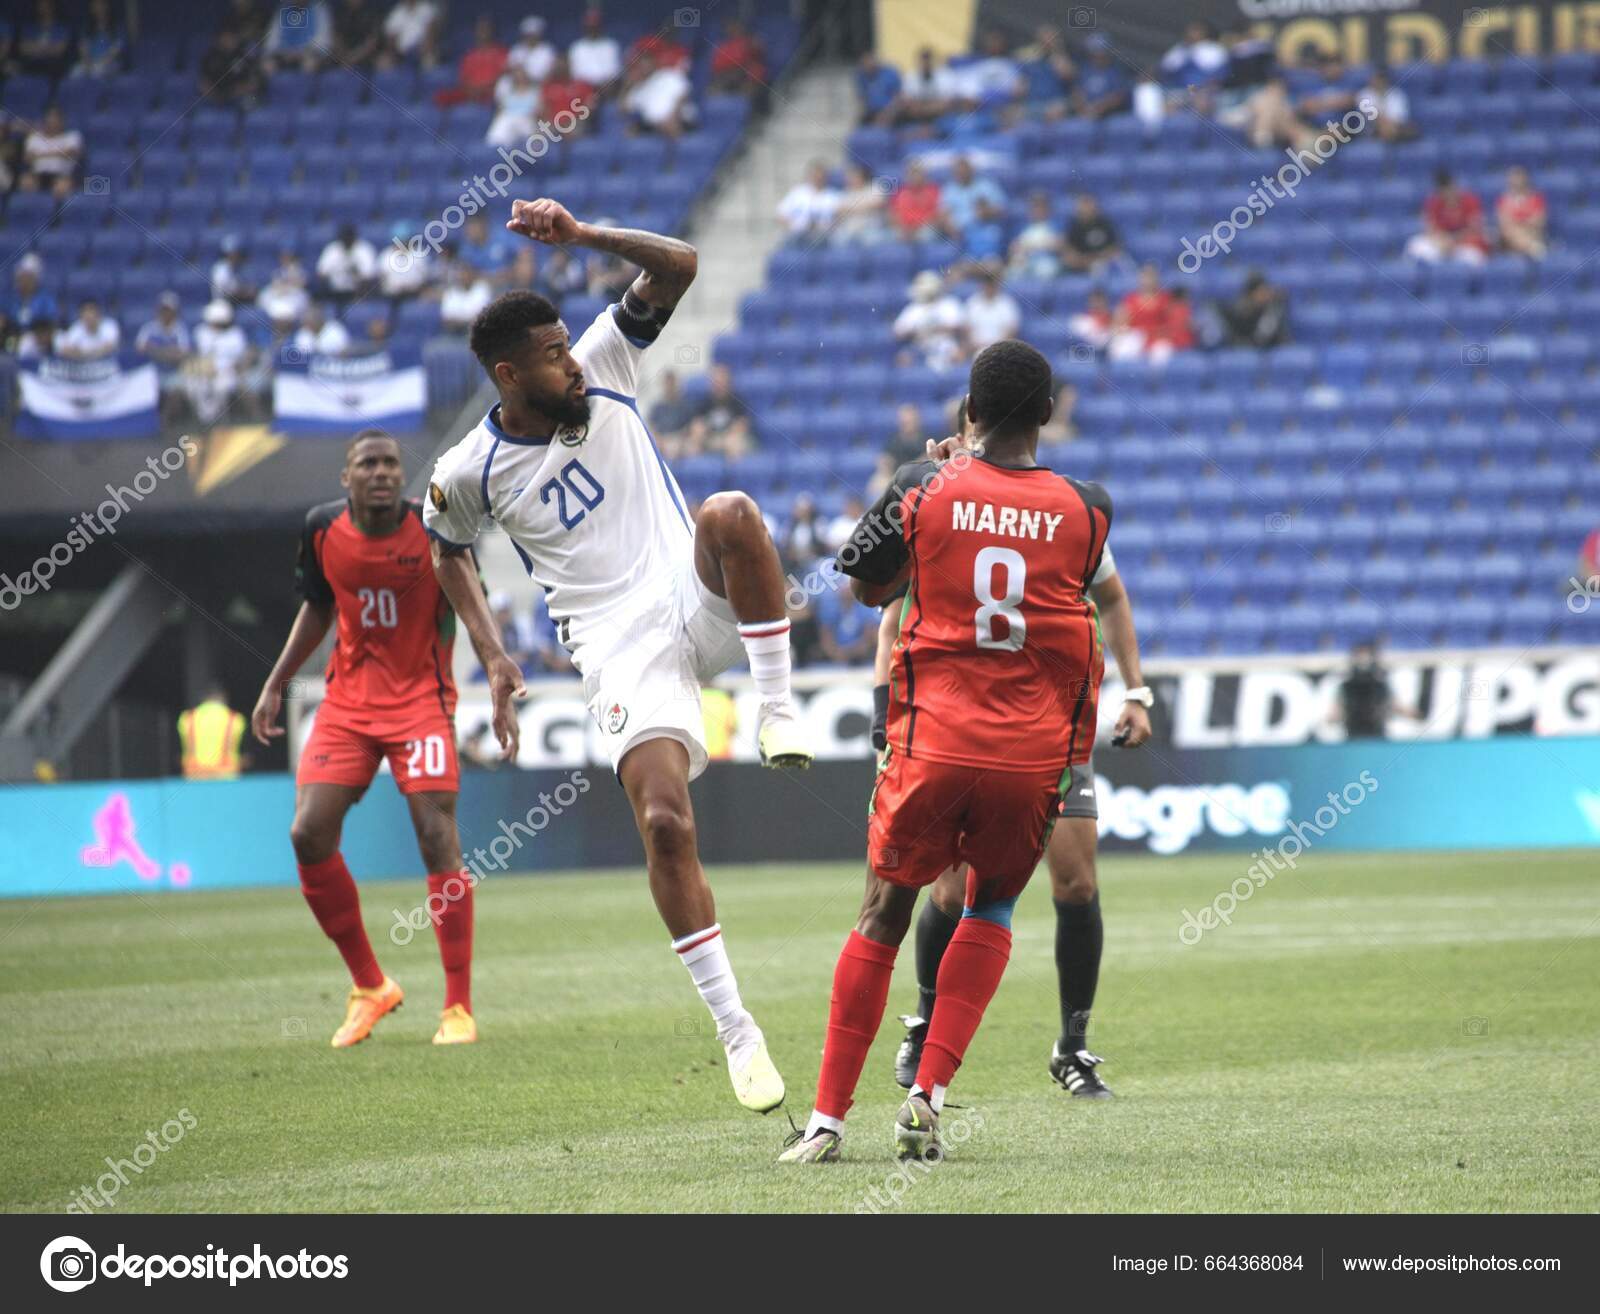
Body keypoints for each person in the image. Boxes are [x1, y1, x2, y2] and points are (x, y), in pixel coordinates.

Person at [423, 198, 814, 1112]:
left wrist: (585, 236)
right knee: (666, 824)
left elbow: (677, 262)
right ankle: (737, 1030)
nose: (573, 357)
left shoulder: (605, 361)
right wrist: (492, 655)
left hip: (691, 594)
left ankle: (777, 706)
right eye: (553, 352)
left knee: (731, 513)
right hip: (617, 649)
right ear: (510, 374)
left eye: (570, 343)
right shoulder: (466, 470)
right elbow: (446, 547)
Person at [778, 340, 1115, 1163]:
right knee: (991, 907)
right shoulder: (1090, 506)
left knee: (882, 913)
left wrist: (937, 481)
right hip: (1032, 757)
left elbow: (865, 587)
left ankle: (826, 1121)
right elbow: (1079, 586)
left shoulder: (921, 483)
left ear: (967, 411)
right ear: (1047, 414)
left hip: (933, 738)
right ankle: (927, 1096)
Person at [885, 539, 1152, 1100]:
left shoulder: (1067, 517)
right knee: (952, 891)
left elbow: (1113, 597)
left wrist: (1136, 691)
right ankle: (925, 1023)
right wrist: (884, 702)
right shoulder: (956, 510)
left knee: (1078, 884)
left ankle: (1072, 1047)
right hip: (965, 721)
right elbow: (890, 604)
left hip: (1056, 721)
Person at [252, 430, 479, 1048]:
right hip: (348, 706)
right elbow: (319, 606)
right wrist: (277, 681)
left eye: (390, 464)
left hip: (422, 705)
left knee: (438, 838)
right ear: (345, 478)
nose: (381, 473)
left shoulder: (435, 528)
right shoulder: (322, 529)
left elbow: (468, 598)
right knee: (308, 833)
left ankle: (457, 1007)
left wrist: (498, 666)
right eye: (367, 464)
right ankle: (371, 986)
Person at [1329, 640, 1414, 740]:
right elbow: (1336, 713)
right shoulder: (1345, 686)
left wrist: (1412, 714)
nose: (1364, 661)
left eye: (1367, 656)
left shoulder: (1382, 686)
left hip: (1377, 737)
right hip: (1354, 736)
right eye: (1360, 656)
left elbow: (1396, 706)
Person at [1406, 169, 1489, 266]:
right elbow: (1430, 228)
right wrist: (1442, 240)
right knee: (1414, 245)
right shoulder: (1433, 203)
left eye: (1451, 189)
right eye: (1444, 191)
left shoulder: (1470, 201)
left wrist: (1454, 240)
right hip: (1442, 243)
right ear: (1439, 192)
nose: (1449, 194)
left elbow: (1475, 228)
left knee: (1475, 256)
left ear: (1455, 187)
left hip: (1463, 243)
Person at [894, 270, 966, 371]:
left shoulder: (948, 304)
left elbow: (957, 326)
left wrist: (933, 329)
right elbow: (898, 332)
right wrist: (916, 331)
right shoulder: (914, 308)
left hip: (943, 345)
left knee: (957, 354)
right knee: (903, 358)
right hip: (919, 347)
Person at [177, 687, 246, 780]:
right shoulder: (235, 718)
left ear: (203, 699)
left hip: (194, 776)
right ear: (223, 698)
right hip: (226, 776)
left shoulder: (186, 718)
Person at [18, 106, 82, 199]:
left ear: (62, 121)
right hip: (38, 175)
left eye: (56, 119)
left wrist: (40, 154)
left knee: (62, 187)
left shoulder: (72, 136)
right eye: (50, 119)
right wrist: (58, 153)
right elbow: (27, 158)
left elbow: (70, 153)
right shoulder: (35, 138)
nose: (53, 123)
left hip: (61, 175)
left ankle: (57, 212)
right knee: (25, 182)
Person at [1219, 270, 1289, 348]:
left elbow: (1263, 337)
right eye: (1261, 291)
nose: (1265, 295)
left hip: (1269, 350)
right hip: (1242, 351)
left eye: (1266, 291)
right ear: (1251, 294)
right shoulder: (1237, 310)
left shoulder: (1273, 309)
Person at [776, 160, 839, 240]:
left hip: (824, 238)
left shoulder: (833, 195)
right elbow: (781, 215)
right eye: (815, 174)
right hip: (798, 236)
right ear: (810, 175)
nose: (818, 178)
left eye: (820, 175)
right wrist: (795, 227)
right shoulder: (797, 192)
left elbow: (839, 220)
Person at [1062, 192, 1122, 273]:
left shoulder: (1104, 223)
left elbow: (1115, 247)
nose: (1086, 209)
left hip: (1104, 260)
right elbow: (1068, 250)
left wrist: (1095, 258)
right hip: (1081, 262)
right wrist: (1082, 260)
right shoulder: (1074, 226)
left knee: (1102, 266)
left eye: (1089, 205)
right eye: (1083, 206)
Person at [1497, 166, 1548, 260]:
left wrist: (1518, 223)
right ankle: (1531, 248)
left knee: (1521, 232)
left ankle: (1528, 247)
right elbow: (1504, 223)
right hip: (1509, 240)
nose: (1516, 182)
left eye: (1519, 178)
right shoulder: (1504, 200)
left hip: (1532, 233)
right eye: (1513, 179)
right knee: (1511, 232)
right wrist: (1524, 222)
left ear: (1525, 179)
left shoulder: (1536, 199)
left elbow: (1539, 221)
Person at [1009, 191, 1063, 278]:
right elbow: (1014, 246)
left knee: (1046, 270)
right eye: (1035, 207)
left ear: (1047, 209)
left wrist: (1032, 246)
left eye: (1041, 207)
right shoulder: (1023, 226)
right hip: (1026, 259)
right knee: (1014, 270)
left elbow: (1058, 245)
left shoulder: (1055, 225)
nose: (1038, 210)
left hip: (1046, 260)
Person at [963, 270, 1020, 352]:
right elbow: (966, 329)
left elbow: (1011, 331)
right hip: (975, 348)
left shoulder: (1007, 304)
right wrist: (974, 345)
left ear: (997, 285)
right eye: (987, 284)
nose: (989, 287)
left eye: (992, 284)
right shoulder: (973, 303)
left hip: (1000, 350)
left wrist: (996, 346)